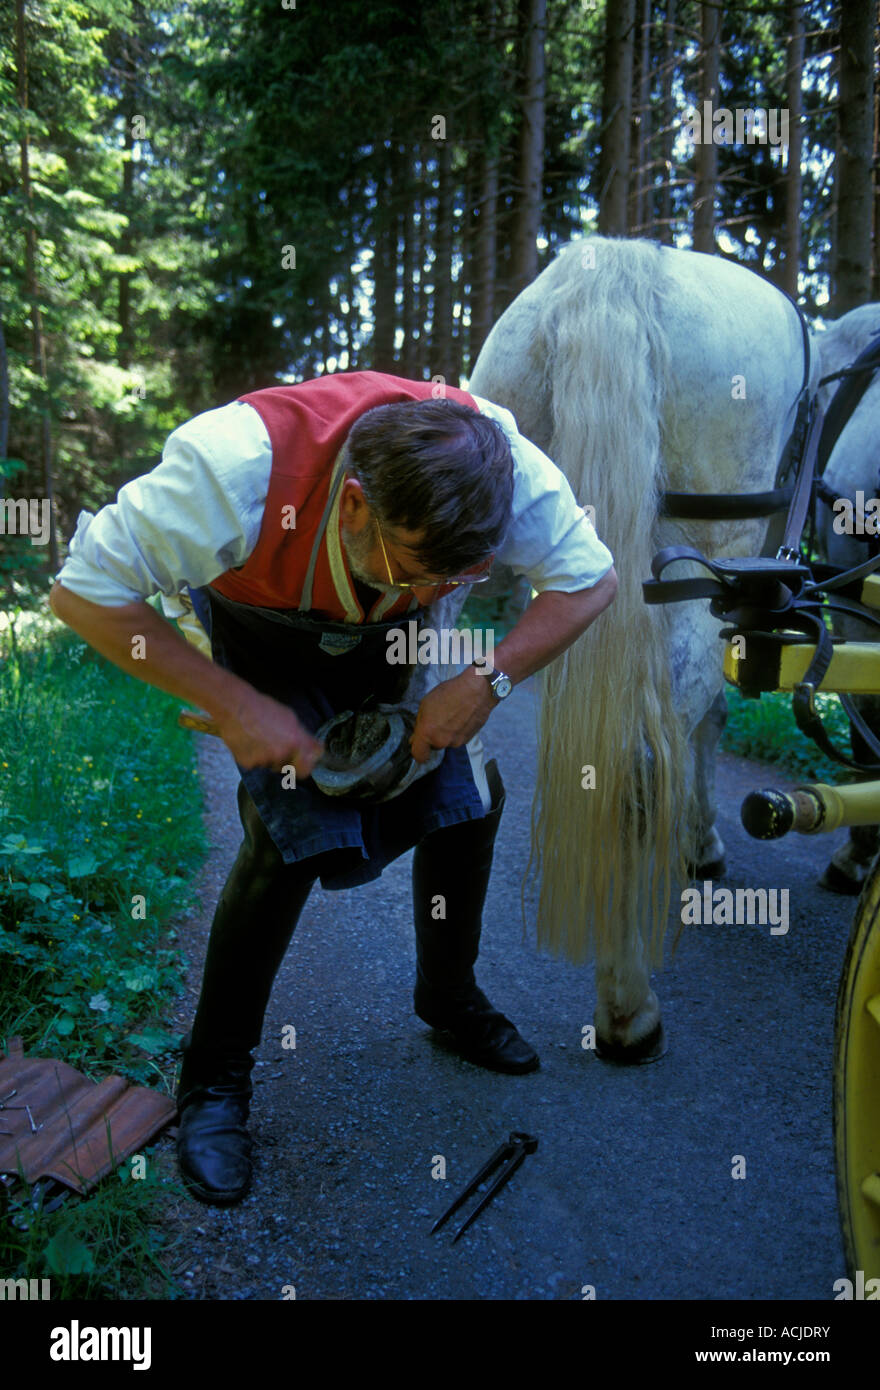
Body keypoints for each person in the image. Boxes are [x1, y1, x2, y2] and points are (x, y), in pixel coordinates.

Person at [49, 370, 617, 1206]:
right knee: (290, 834)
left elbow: (590, 581)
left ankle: (447, 994)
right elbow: (82, 593)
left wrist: (483, 681)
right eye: (416, 567)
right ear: (353, 505)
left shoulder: (508, 471)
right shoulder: (234, 471)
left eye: (451, 582)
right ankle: (213, 1083)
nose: (425, 594)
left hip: (384, 643)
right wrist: (236, 704)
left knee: (467, 798)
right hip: (262, 624)